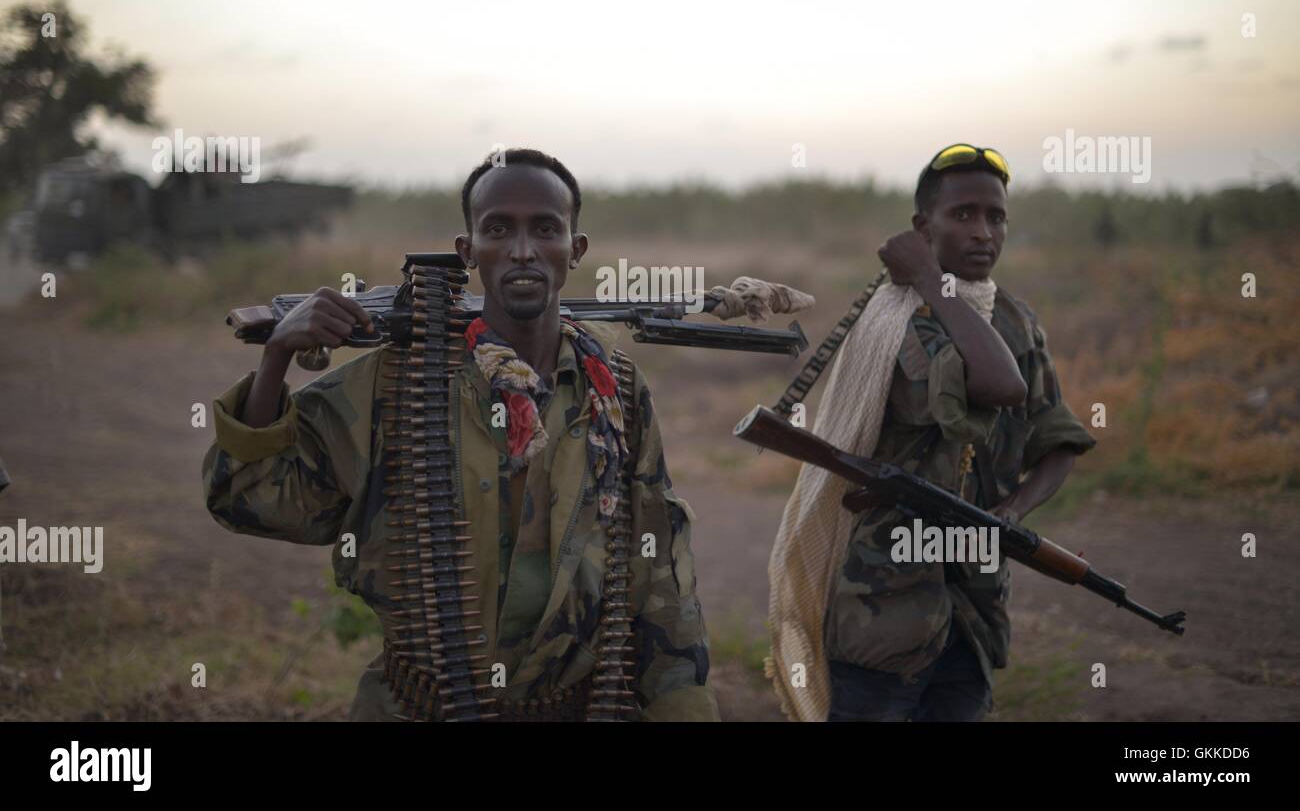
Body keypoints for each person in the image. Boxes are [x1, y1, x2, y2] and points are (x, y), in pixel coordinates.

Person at [201, 148, 718, 721]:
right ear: (468, 252)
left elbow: (658, 570)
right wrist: (276, 358)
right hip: (425, 707)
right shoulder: (394, 382)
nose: (522, 250)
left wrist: (684, 705)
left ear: (575, 248)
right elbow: (250, 501)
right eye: (499, 228)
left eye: (545, 228)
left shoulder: (613, 388)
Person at [767, 143, 1097, 722]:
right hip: (883, 608)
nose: (983, 232)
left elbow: (1059, 440)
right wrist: (924, 275)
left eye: (995, 217)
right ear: (923, 228)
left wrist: (1014, 511)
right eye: (963, 214)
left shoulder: (1015, 321)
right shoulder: (899, 323)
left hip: (975, 609)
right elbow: (999, 386)